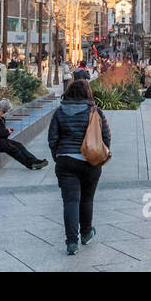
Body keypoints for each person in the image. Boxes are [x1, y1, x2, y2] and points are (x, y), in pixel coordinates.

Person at [48, 77, 111, 255]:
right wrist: (102, 154)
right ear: (87, 93)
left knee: (70, 201)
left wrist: (58, 156)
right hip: (90, 161)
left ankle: (71, 243)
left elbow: (52, 138)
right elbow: (106, 136)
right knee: (87, 199)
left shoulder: (59, 112)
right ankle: (86, 233)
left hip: (66, 160)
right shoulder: (95, 111)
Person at [0, 98, 48, 170]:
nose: (4, 113)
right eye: (4, 111)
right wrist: (6, 132)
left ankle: (34, 160)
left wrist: (6, 132)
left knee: (19, 145)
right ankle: (31, 164)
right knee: (14, 149)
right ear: (1, 109)